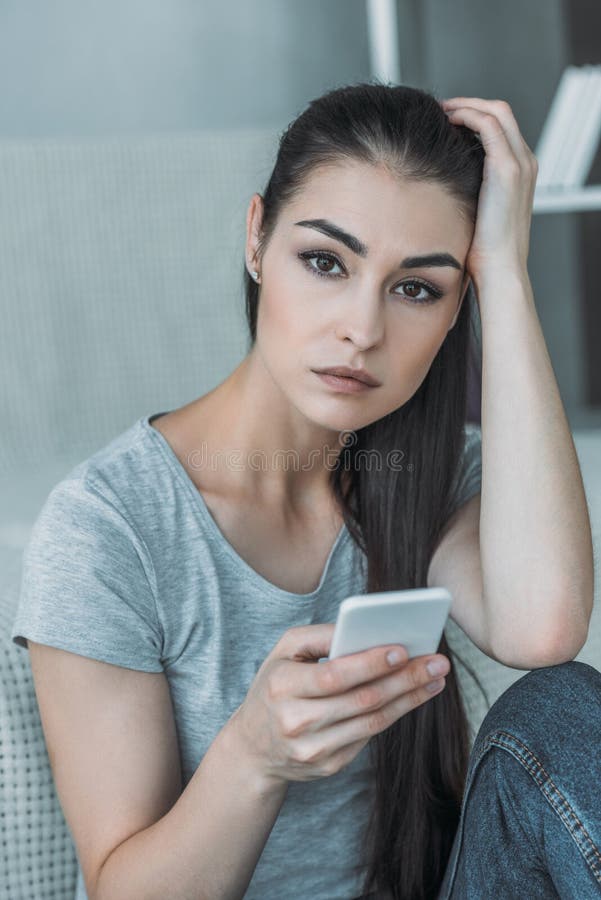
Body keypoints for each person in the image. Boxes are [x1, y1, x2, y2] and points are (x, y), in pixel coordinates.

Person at [11, 82, 598, 900]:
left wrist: (503, 273)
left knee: (563, 708)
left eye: (417, 288)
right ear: (256, 239)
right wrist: (254, 756)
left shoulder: (431, 477)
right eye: (325, 262)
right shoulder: (113, 529)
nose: (362, 328)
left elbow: (542, 629)